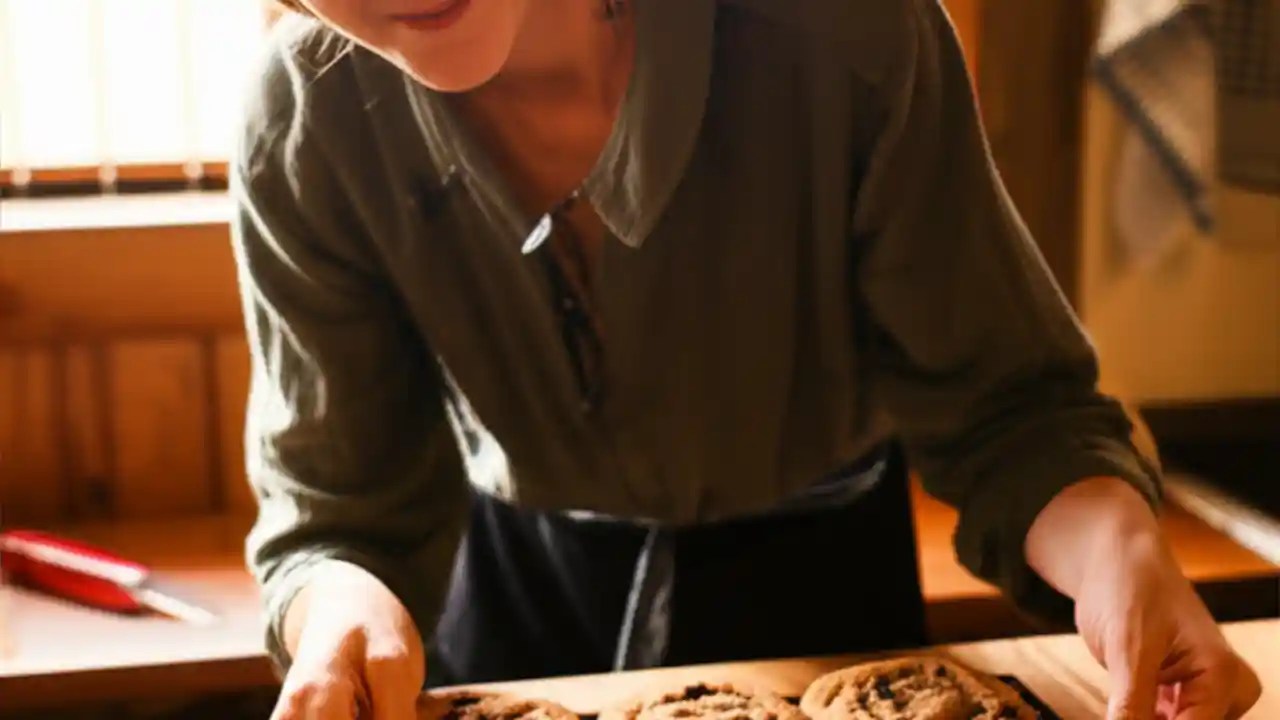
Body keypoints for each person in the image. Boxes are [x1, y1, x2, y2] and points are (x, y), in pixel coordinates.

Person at [231, 1, 1262, 718]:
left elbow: (1013, 421)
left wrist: (1117, 554)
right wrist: (341, 615)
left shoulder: (845, 32)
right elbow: (338, 516)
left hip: (827, 598)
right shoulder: (306, 116)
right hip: (511, 613)